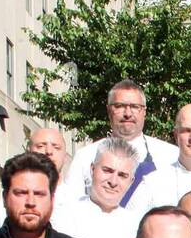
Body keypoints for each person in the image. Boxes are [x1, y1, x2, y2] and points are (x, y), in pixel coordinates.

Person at [56, 79, 178, 212]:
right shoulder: (85, 156)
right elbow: (69, 205)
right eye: (120, 106)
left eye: (135, 107)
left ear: (144, 111)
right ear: (109, 110)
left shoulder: (170, 156)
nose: (128, 113)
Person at [50, 137, 142, 238]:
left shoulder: (138, 224)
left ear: (131, 181)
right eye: (107, 170)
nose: (113, 181)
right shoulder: (64, 213)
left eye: (122, 175)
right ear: (92, 169)